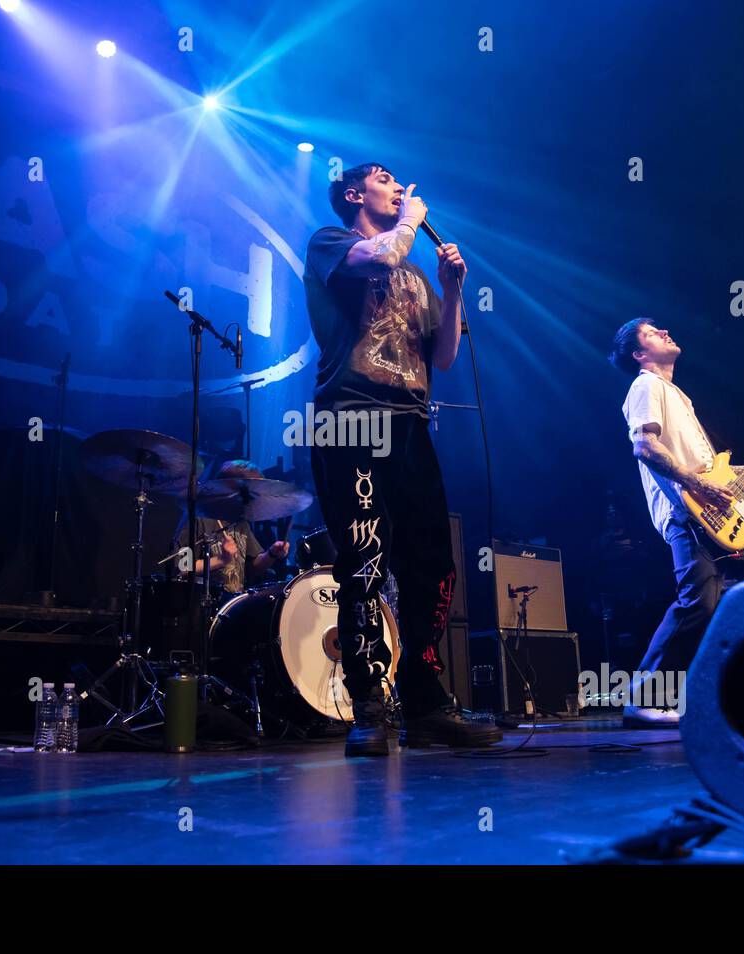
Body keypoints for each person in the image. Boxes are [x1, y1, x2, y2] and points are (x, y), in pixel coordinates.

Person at [303, 162, 500, 756]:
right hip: (352, 416)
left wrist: (453, 288)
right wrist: (411, 223)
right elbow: (381, 258)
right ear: (355, 193)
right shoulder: (332, 243)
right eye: (386, 179)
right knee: (364, 557)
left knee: (433, 563)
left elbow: (442, 358)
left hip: (411, 423)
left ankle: (424, 699)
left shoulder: (414, 271)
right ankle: (368, 704)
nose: (399, 187)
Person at [609, 318, 744, 726]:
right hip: (687, 513)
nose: (666, 331)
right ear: (639, 353)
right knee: (699, 602)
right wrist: (696, 486)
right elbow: (644, 445)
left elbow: (715, 476)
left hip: (720, 512)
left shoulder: (678, 396)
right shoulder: (646, 386)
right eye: (653, 333)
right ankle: (644, 696)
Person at [174, 460, 289, 594]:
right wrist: (220, 560)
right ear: (227, 490)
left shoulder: (241, 522)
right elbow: (182, 568)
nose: (251, 499)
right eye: (249, 493)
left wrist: (272, 553)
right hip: (201, 605)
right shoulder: (198, 517)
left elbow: (253, 568)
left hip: (231, 606)